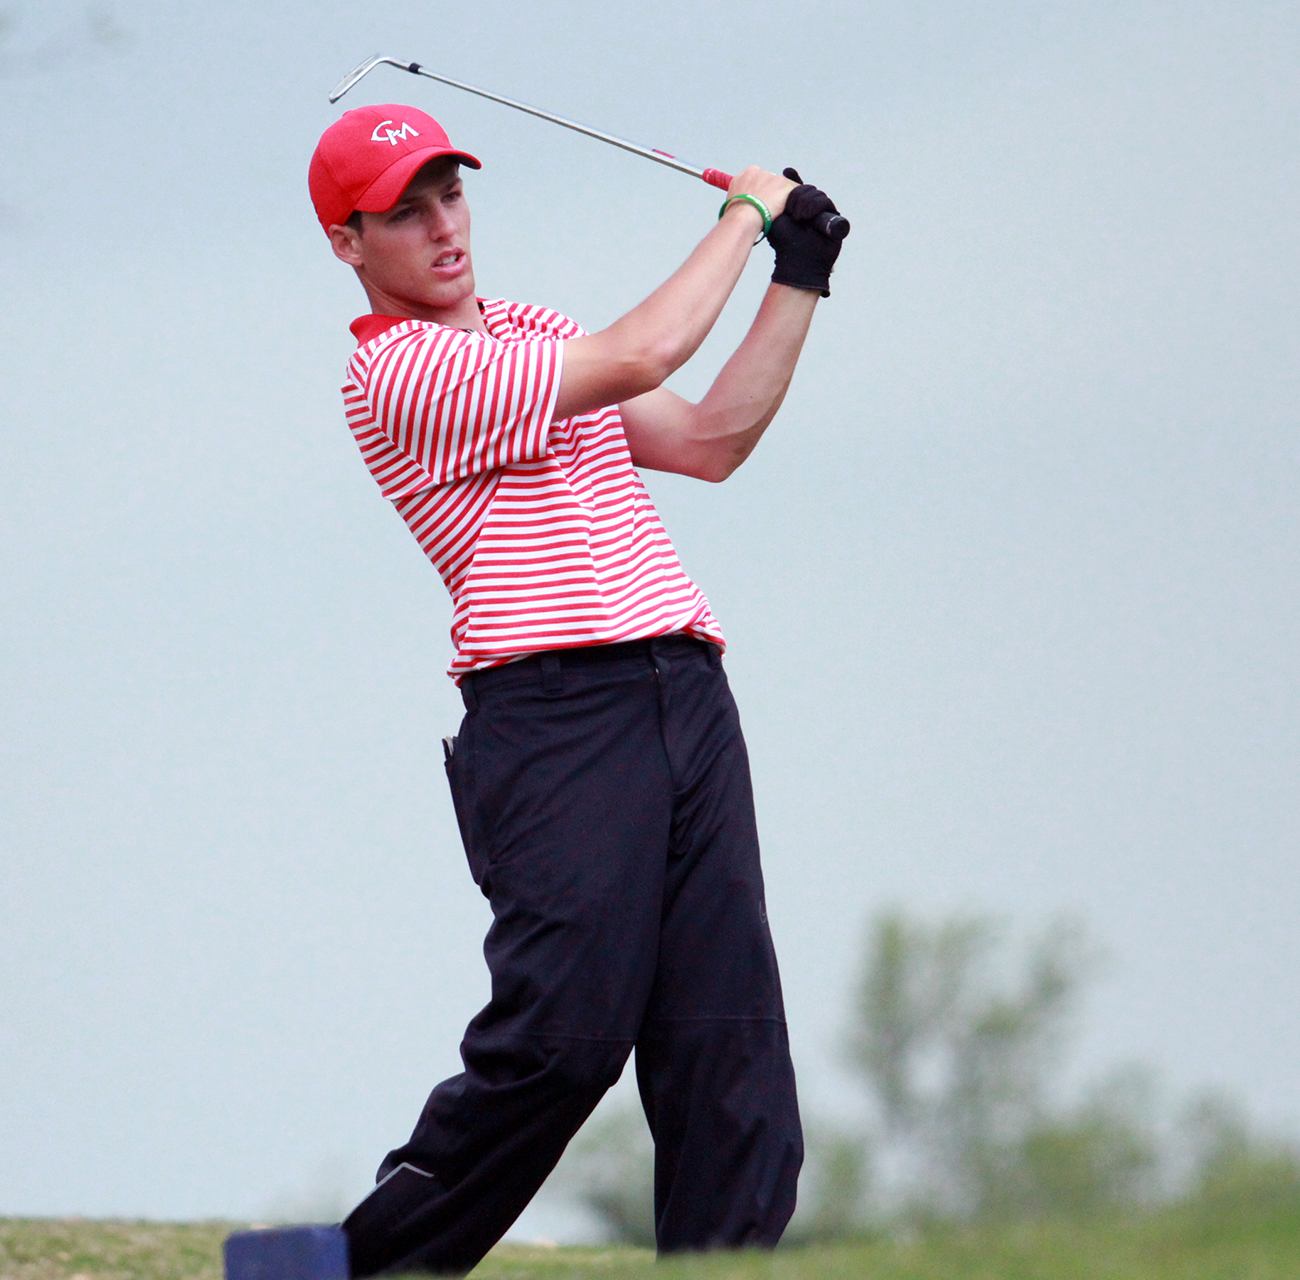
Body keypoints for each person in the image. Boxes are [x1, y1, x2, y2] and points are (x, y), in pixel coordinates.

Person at [309, 102, 844, 1276]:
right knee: (560, 1043)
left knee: (729, 1050)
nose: (444, 226)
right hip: (556, 721)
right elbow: (646, 354)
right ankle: (346, 1270)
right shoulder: (400, 371)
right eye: (405, 211)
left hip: (686, 690)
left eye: (451, 194)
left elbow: (709, 438)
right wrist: (746, 213)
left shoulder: (533, 329)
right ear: (350, 242)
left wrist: (796, 272)